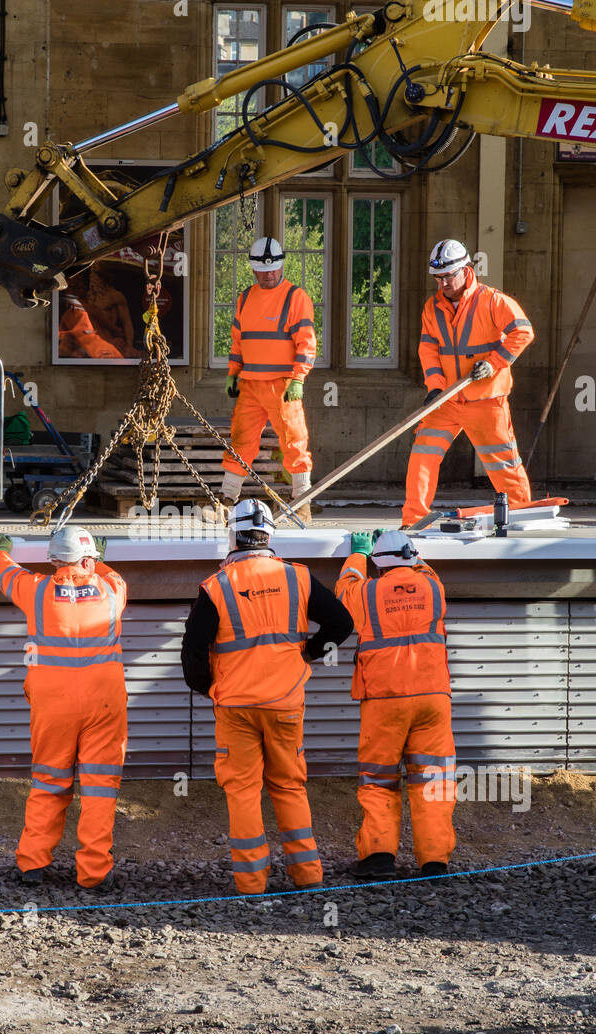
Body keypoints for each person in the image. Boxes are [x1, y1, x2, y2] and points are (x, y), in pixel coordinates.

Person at [181, 499, 353, 894]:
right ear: (270, 536)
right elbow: (342, 622)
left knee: (242, 790)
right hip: (285, 702)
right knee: (289, 785)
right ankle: (308, 876)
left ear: (233, 536)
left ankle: (251, 882)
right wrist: (309, 652)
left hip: (235, 705)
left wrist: (207, 687)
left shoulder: (217, 587)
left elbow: (193, 650)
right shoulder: (298, 578)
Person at [0, 525, 128, 890]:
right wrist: (100, 561)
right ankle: (95, 873)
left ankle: (32, 864)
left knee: (49, 780)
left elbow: (6, 573)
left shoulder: (36, 590)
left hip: (54, 702)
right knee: (100, 785)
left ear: (53, 561)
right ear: (88, 559)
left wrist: (0, 550)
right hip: (104, 700)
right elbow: (107, 572)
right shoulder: (114, 588)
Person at [334, 529, 456, 879]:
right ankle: (434, 862)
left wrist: (358, 553)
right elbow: (424, 569)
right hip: (433, 697)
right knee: (434, 779)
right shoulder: (434, 586)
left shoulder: (366, 592)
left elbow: (344, 590)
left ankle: (378, 859)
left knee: (379, 779)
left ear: (377, 564)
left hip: (384, 699)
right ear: (413, 559)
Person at [402, 239, 535, 527]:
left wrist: (494, 363)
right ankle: (412, 520)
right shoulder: (432, 308)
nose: (443, 284)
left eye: (449, 276)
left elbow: (523, 332)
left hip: (487, 400)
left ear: (466, 269)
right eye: (438, 278)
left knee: (503, 465)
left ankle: (524, 516)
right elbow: (429, 349)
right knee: (422, 456)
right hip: (447, 399)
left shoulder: (492, 300)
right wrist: (435, 386)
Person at [221, 237, 317, 523]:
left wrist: (299, 378)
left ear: (281, 265)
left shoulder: (296, 297)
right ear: (252, 269)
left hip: (284, 384)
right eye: (262, 271)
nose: (268, 275)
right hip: (251, 383)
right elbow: (238, 341)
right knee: (241, 440)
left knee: (294, 441)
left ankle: (302, 501)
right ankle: (227, 497)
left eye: (273, 269)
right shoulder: (245, 297)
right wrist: (232, 372)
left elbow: (307, 343)